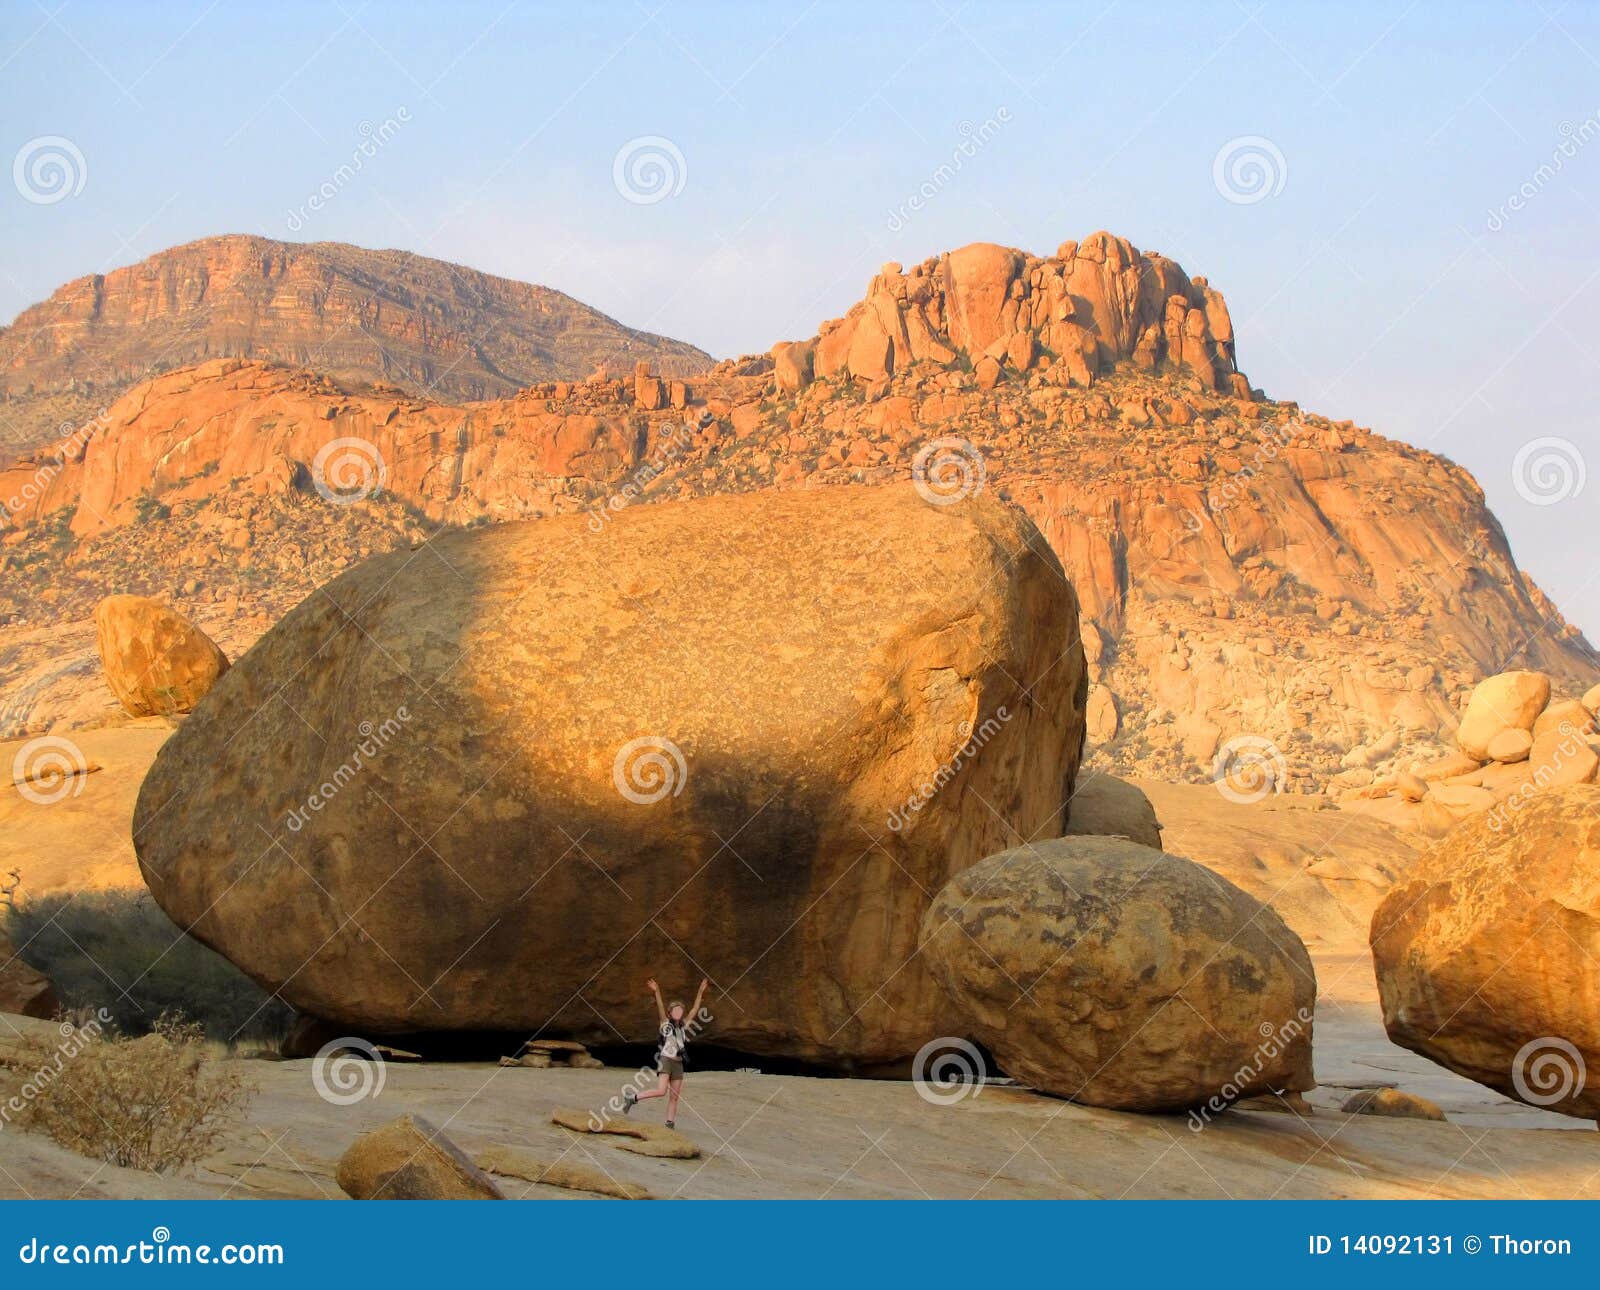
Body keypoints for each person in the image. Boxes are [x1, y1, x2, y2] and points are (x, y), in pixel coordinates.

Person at [624, 975, 708, 1129]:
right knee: (661, 1091)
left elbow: (695, 1009)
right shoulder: (665, 1024)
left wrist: (700, 991)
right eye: (675, 1010)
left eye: (680, 1010)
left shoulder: (683, 1025)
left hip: (678, 1063)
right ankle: (633, 1097)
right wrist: (657, 991)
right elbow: (660, 1008)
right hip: (666, 1060)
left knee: (674, 1097)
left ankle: (669, 1123)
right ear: (670, 1013)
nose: (678, 1012)